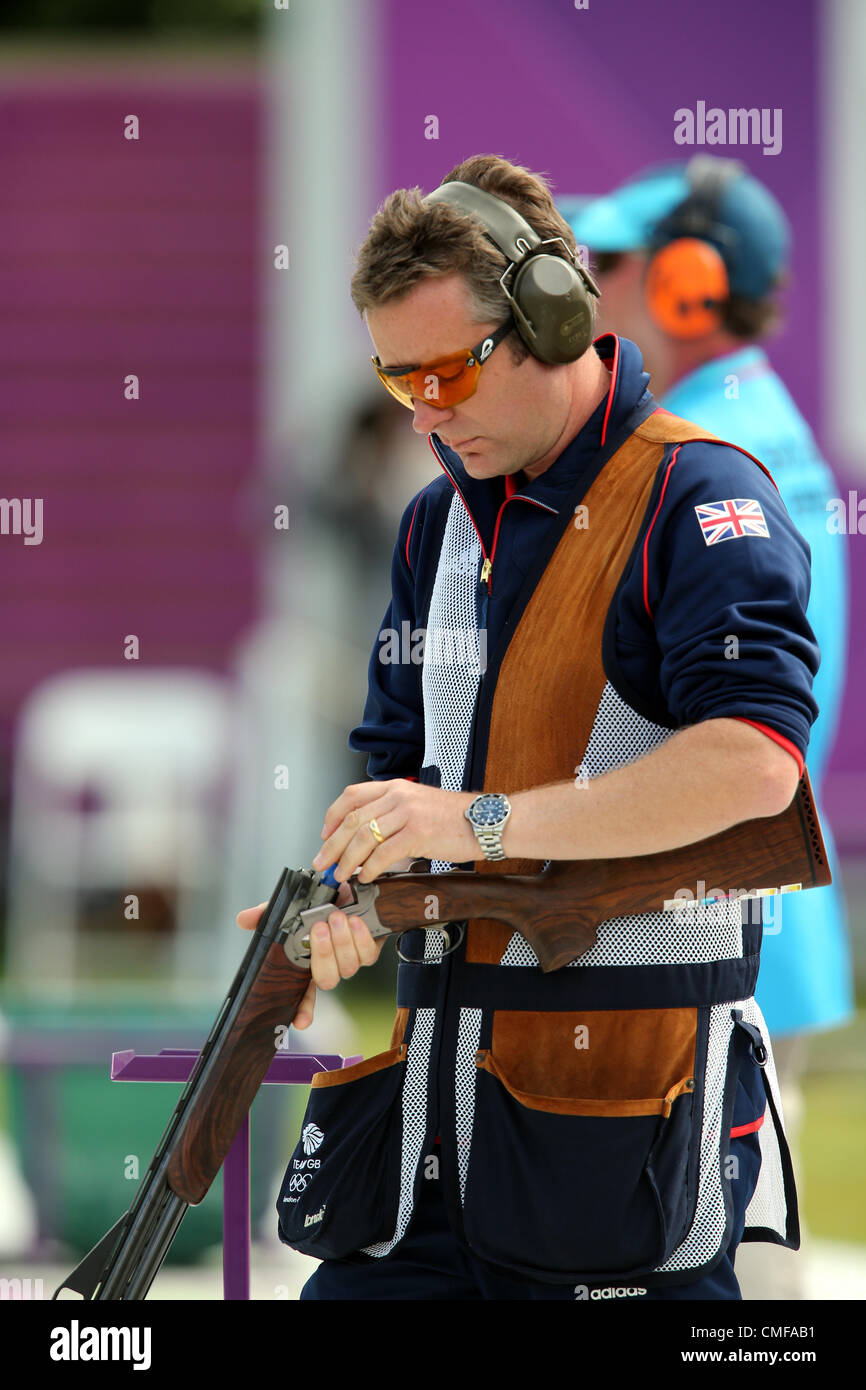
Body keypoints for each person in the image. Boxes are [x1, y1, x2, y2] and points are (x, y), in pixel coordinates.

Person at [238, 154, 820, 1300]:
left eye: (450, 372)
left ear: (553, 320)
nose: (427, 413)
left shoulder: (697, 499)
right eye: (400, 383)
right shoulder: (431, 529)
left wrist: (479, 821)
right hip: (428, 1143)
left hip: (626, 1150)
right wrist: (343, 900)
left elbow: (754, 761)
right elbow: (399, 776)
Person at [567, 156, 854, 1299]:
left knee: (715, 1260)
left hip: (702, 909)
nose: (588, 285)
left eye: (613, 263)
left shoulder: (706, 453)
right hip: (732, 899)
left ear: (685, 285)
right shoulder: (747, 433)